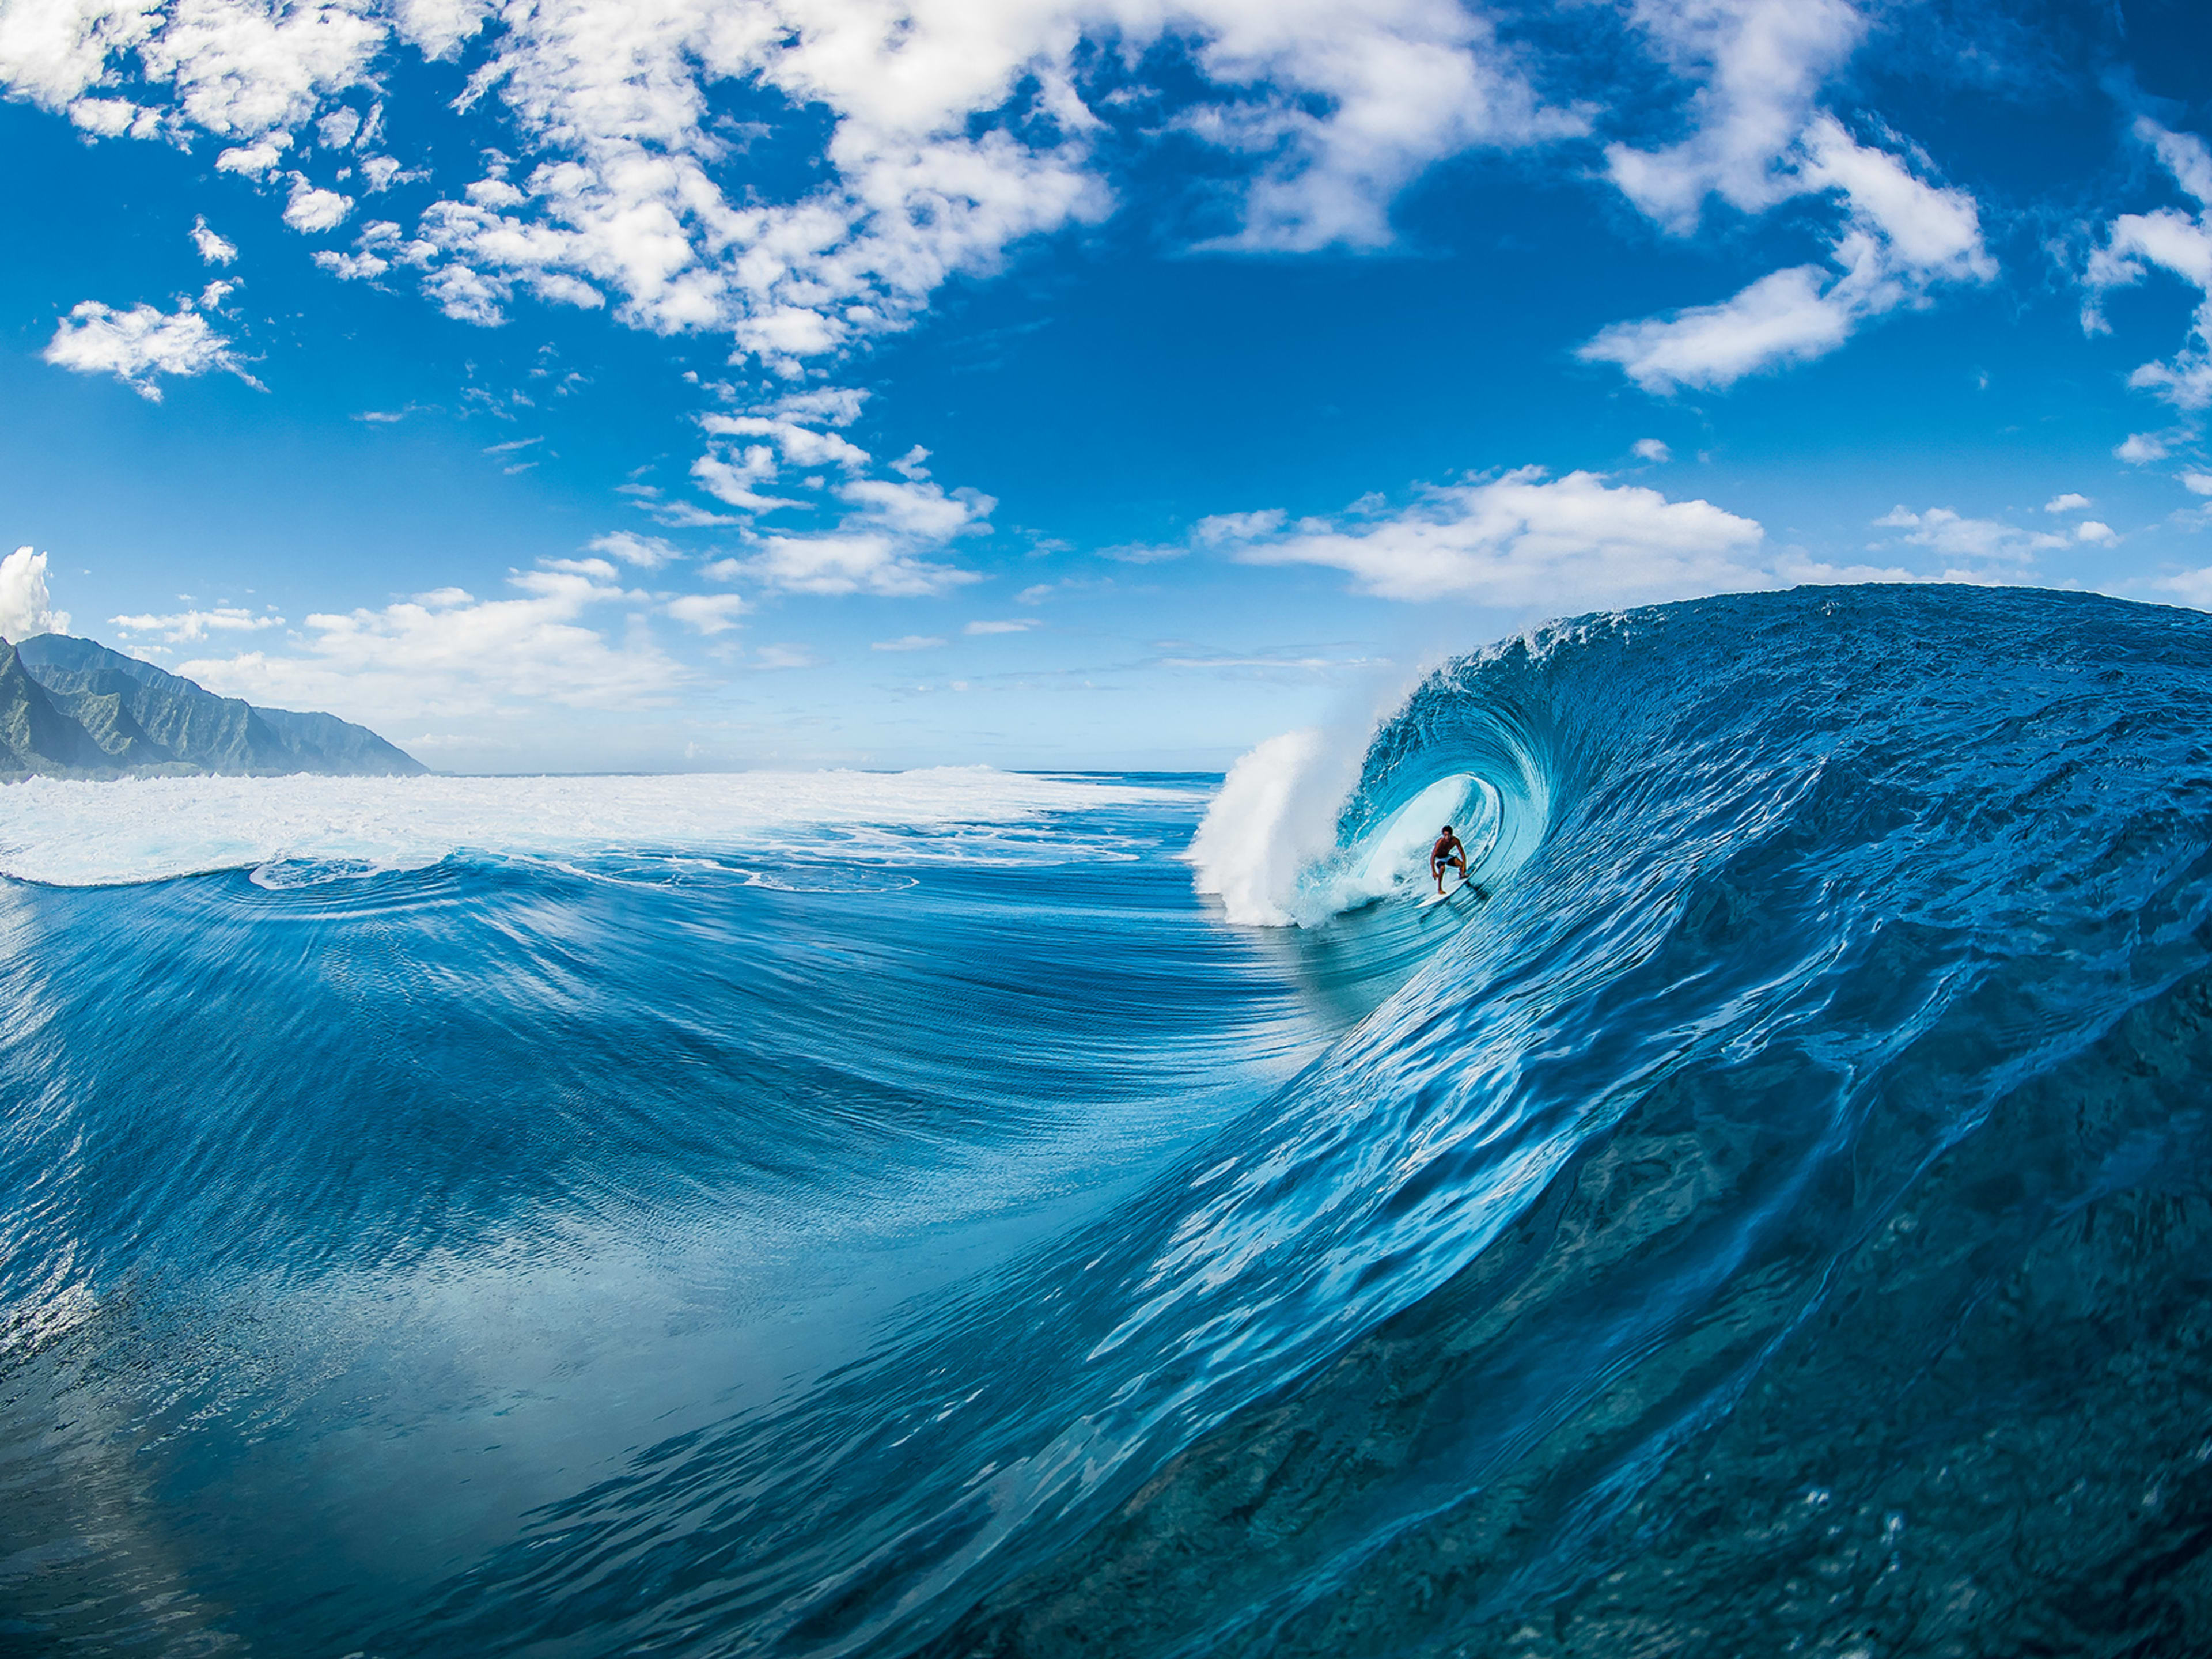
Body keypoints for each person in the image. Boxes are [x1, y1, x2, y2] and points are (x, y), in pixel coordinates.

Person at [1430, 824, 1468, 895]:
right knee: (1442, 868)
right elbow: (1432, 857)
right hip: (1439, 859)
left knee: (1461, 864)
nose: (1447, 837)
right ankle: (1440, 889)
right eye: (1445, 835)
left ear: (1451, 834)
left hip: (1447, 857)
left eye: (1448, 835)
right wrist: (1434, 871)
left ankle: (1462, 875)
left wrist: (1464, 866)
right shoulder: (1440, 843)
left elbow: (1462, 853)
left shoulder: (1455, 841)